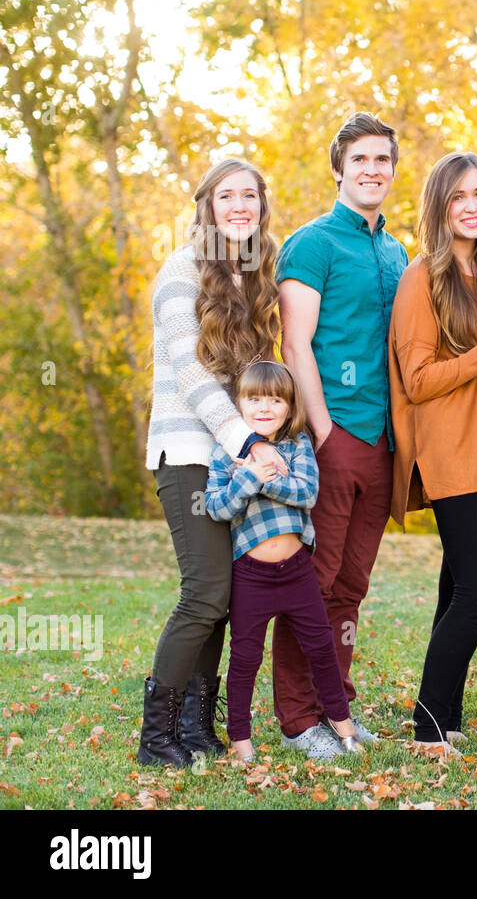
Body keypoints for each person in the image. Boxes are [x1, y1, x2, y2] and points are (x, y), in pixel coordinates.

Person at [141, 158, 287, 767]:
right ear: (207, 204)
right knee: (204, 593)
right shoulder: (181, 270)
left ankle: (198, 727)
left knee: (226, 597)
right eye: (226, 195)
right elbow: (191, 371)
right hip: (189, 454)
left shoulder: (251, 276)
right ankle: (156, 735)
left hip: (233, 462)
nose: (238, 206)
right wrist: (248, 443)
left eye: (248, 196)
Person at [275, 112, 408, 758]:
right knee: (315, 580)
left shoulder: (396, 251)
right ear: (338, 168)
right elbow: (295, 344)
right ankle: (299, 718)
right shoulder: (311, 244)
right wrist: (324, 432)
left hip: (384, 442)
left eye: (382, 159)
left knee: (351, 586)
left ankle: (338, 707)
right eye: (360, 159)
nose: (372, 169)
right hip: (334, 436)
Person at [389, 152, 477, 754]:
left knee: (456, 588)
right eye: (458, 197)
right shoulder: (423, 276)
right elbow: (417, 379)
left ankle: (442, 719)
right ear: (439, 208)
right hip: (453, 453)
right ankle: (426, 723)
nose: (473, 207)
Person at [205, 361, 362, 762]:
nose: (264, 407)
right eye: (254, 399)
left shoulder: (298, 446)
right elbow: (217, 506)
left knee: (322, 647)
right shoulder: (226, 454)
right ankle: (240, 738)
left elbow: (307, 492)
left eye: (275, 400)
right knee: (245, 657)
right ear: (239, 406)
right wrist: (249, 477)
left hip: (296, 571)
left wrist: (266, 476)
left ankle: (342, 724)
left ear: (290, 407)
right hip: (251, 576)